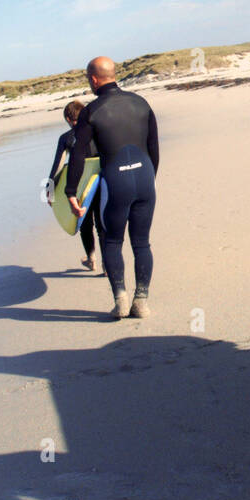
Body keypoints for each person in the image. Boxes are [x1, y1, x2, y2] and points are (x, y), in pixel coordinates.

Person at [65, 57, 159, 319]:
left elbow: (78, 155)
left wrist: (71, 192)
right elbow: (154, 147)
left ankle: (120, 298)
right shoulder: (141, 103)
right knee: (141, 243)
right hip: (145, 180)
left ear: (93, 79)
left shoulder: (91, 111)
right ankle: (141, 301)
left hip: (114, 183)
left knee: (113, 240)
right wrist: (150, 178)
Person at [48, 99, 102, 272]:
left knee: (85, 224)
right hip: (101, 183)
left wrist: (49, 192)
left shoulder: (66, 138)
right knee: (102, 224)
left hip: (79, 187)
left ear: (68, 119)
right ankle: (108, 265)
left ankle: (92, 259)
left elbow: (57, 167)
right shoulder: (98, 131)